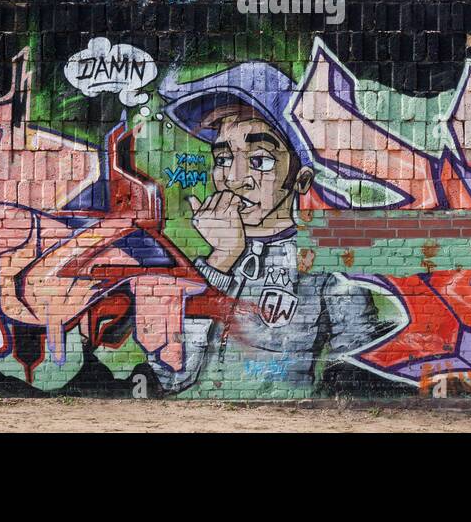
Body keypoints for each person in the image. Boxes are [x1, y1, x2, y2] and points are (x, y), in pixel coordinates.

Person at [149, 62, 382, 396]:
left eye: (260, 161)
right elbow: (172, 376)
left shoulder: (324, 263)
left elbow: (358, 363)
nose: (235, 178)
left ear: (301, 179)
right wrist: (219, 262)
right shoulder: (207, 261)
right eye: (224, 159)